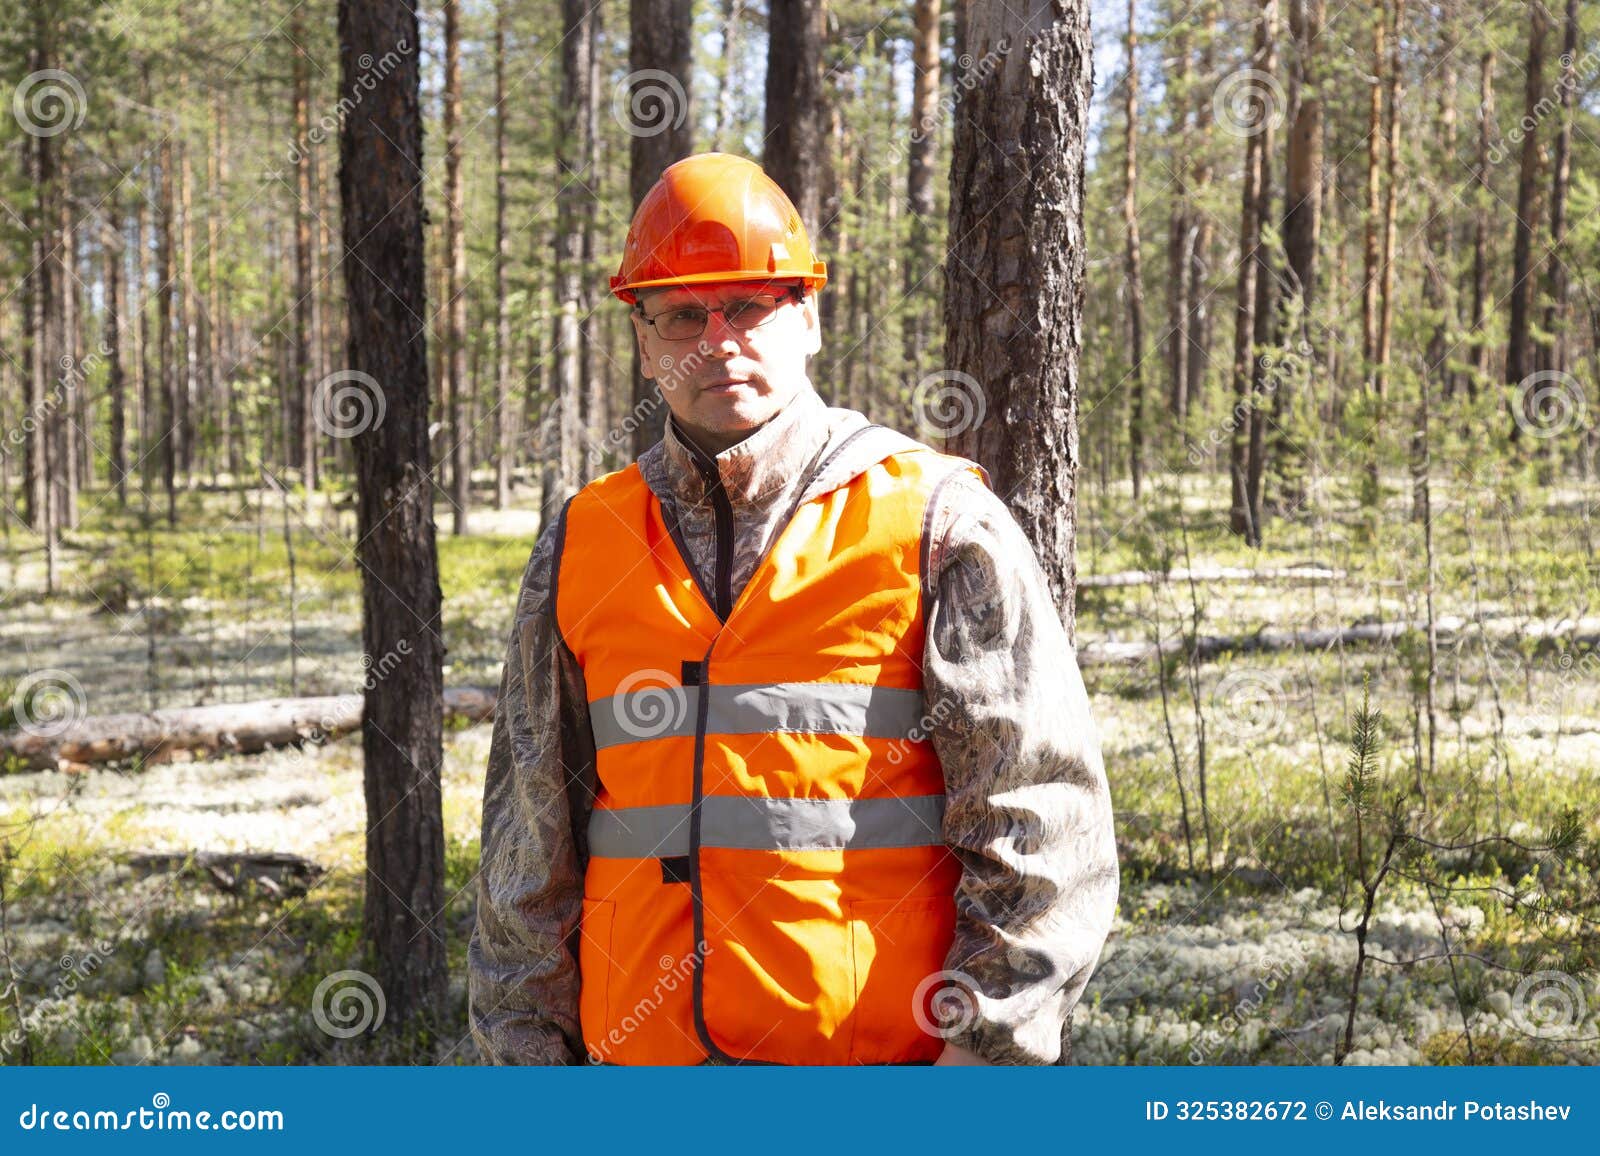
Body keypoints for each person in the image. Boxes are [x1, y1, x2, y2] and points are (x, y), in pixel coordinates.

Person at [468, 152, 1118, 1066]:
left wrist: (981, 1062)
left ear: (807, 317)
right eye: (683, 315)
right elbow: (526, 845)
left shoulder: (934, 521)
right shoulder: (587, 538)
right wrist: (526, 1066)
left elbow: (1041, 824)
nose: (718, 340)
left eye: (749, 307)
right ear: (646, 341)